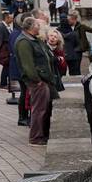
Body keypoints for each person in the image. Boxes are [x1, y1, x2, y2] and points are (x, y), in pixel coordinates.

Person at [14, 17, 61, 145]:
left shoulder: (35, 40)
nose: (39, 27)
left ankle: (44, 134)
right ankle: (36, 137)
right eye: (37, 25)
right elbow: (27, 64)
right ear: (31, 27)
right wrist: (37, 80)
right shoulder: (24, 42)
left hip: (45, 79)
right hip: (38, 81)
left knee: (47, 107)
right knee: (39, 109)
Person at [60, 11, 92, 75]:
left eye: (69, 20)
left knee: (76, 70)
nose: (67, 21)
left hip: (78, 52)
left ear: (73, 19)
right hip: (69, 52)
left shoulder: (81, 27)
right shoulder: (66, 27)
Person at [0, 10, 14, 93]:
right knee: (6, 67)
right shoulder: (1, 27)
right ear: (7, 18)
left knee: (8, 67)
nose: (12, 20)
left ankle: (8, 83)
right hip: (5, 50)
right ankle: (3, 84)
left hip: (9, 50)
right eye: (11, 18)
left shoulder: (8, 26)